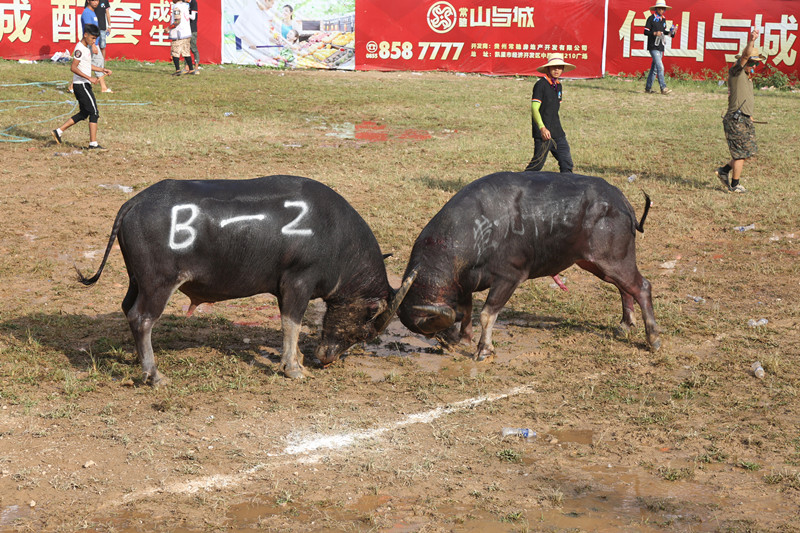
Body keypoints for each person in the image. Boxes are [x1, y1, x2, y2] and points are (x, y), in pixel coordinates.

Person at [715, 29, 765, 194]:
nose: (754, 66)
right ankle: (735, 185)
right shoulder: (736, 72)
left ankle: (724, 171)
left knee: (747, 151)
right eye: (752, 63)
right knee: (740, 154)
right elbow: (745, 55)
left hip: (744, 118)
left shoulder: (748, 78)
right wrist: (752, 41)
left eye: (756, 63)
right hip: (735, 120)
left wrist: (749, 114)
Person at [51, 24, 108, 149]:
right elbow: (73, 67)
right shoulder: (79, 49)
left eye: (95, 39)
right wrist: (89, 78)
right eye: (92, 38)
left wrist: (102, 69)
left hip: (83, 84)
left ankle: (58, 131)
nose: (94, 41)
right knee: (94, 112)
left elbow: (87, 65)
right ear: (85, 35)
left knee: (84, 113)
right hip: (81, 85)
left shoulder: (86, 48)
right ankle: (93, 144)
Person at [524, 53, 576, 173]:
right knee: (536, 165)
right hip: (544, 134)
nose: (556, 70)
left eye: (559, 67)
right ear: (548, 68)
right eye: (554, 67)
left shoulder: (558, 86)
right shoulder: (540, 85)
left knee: (566, 163)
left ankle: (566, 188)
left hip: (557, 132)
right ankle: (521, 184)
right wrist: (542, 128)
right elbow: (534, 108)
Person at [69, 0, 111, 93]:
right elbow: (88, 30)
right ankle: (103, 87)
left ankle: (72, 86)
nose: (96, 2)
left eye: (97, 0)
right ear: (88, 1)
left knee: (85, 64)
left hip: (93, 43)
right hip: (91, 44)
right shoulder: (87, 13)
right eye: (93, 0)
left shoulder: (92, 12)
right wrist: (93, 45)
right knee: (98, 61)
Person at [643, 0, 676, 95]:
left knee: (654, 69)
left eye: (663, 9)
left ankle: (648, 88)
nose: (662, 10)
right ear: (656, 9)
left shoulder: (663, 19)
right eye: (660, 8)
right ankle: (663, 87)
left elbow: (663, 32)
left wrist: (671, 32)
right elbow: (645, 32)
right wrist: (654, 33)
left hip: (660, 46)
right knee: (660, 66)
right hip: (653, 46)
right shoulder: (651, 18)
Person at [169, 0, 195, 75]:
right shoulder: (185, 5)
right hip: (187, 32)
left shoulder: (176, 7)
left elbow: (177, 21)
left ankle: (177, 70)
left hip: (178, 33)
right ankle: (191, 69)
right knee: (186, 51)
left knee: (175, 52)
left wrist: (168, 28)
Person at [95, 0, 112, 82]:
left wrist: (109, 26)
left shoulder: (104, 1)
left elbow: (107, 13)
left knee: (102, 46)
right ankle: (90, 64)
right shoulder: (90, 1)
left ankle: (102, 65)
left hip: (102, 27)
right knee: (91, 46)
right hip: (93, 27)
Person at [188, 0, 199, 70]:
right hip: (186, 30)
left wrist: (184, 13)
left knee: (193, 48)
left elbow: (193, 17)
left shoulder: (193, 3)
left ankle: (196, 66)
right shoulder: (184, 3)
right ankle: (187, 67)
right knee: (186, 49)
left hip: (192, 30)